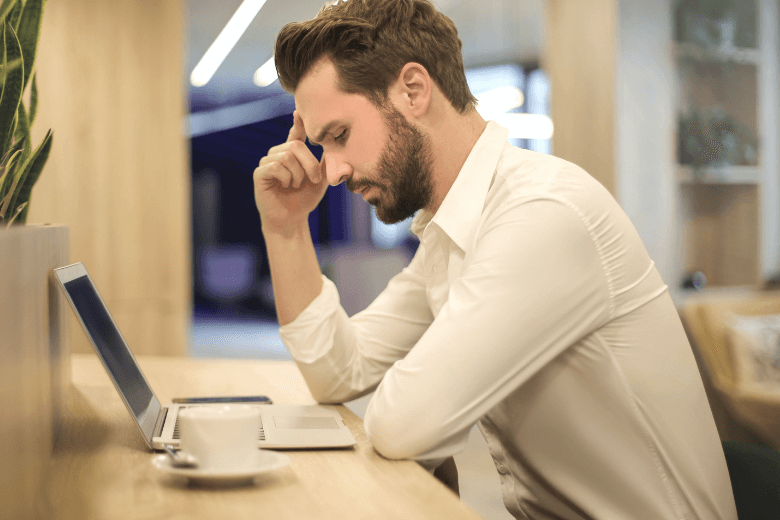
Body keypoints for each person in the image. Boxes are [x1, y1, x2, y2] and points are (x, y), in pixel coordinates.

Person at [252, 0, 737, 518]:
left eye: (340, 136)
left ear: (413, 91)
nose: (331, 172)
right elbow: (339, 372)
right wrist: (285, 229)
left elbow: (403, 423)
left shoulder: (542, 214)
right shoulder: (453, 233)